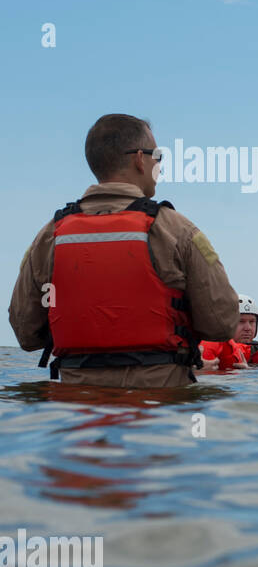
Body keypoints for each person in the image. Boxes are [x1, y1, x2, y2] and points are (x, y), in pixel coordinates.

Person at [8, 114, 238, 386]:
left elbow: (26, 333)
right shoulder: (177, 230)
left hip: (74, 410)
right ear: (140, 159)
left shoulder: (48, 237)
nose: (160, 167)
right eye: (158, 157)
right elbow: (221, 323)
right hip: (161, 407)